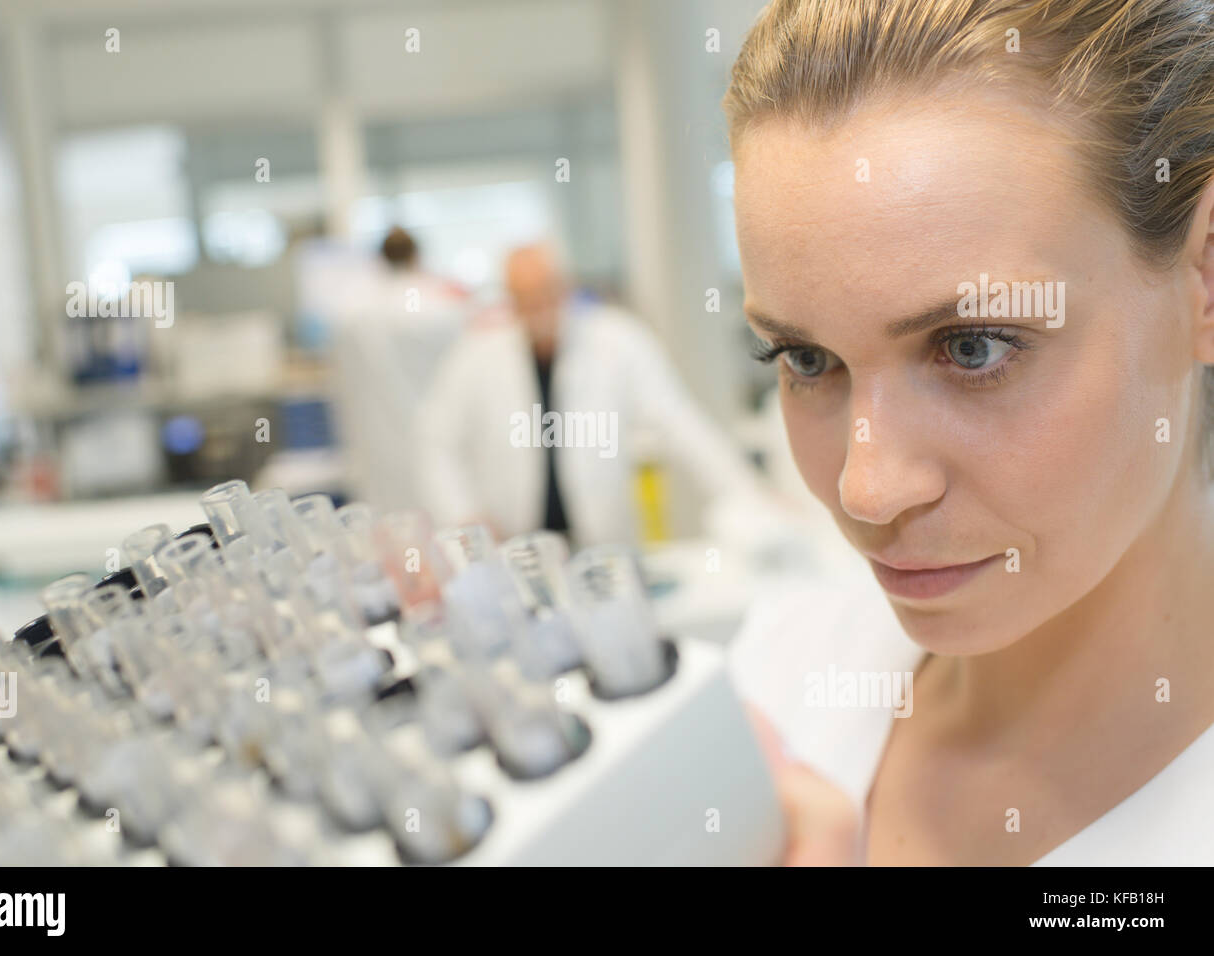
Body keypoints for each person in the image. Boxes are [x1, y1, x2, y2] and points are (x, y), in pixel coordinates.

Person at [724, 0, 1214, 865]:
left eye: (972, 347)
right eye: (805, 359)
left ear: (1202, 276)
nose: (865, 490)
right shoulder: (767, 696)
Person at [415, 242, 774, 548]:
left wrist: (749, 494)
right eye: (525, 299)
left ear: (565, 287)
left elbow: (680, 423)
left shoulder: (616, 340)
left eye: (546, 294)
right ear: (509, 299)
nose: (538, 309)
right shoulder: (477, 355)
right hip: (516, 544)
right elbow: (435, 441)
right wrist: (465, 517)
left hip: (602, 541)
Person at [328, 226, 467, 512]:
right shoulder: (441, 304)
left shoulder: (354, 312)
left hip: (380, 450)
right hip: (436, 439)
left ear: (382, 259)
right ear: (417, 256)